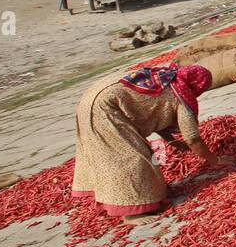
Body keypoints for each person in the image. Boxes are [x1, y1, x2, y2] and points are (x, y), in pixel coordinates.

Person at [71, 64, 226, 223]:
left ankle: (124, 198)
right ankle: (132, 214)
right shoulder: (181, 96)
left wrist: (172, 140)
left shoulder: (165, 78)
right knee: (131, 157)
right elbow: (193, 138)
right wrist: (216, 160)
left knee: (109, 155)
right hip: (105, 107)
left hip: (90, 98)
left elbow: (153, 110)